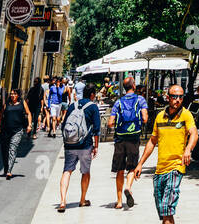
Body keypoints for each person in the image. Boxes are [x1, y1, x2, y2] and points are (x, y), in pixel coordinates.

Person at [134, 84, 197, 224]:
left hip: (176, 168)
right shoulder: (160, 117)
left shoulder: (186, 115)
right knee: (165, 212)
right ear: (167, 97)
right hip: (160, 170)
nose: (177, 99)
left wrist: (188, 149)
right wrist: (140, 164)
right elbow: (152, 142)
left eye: (180, 96)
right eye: (173, 96)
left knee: (168, 208)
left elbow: (193, 134)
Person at [57, 82, 100, 213]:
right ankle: (82, 200)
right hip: (85, 145)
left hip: (70, 144)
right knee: (85, 172)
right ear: (92, 95)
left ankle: (63, 201)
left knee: (67, 171)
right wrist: (96, 146)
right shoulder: (93, 107)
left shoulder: (72, 105)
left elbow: (64, 124)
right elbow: (97, 129)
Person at [108, 76, 148, 209]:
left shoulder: (118, 102)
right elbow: (145, 118)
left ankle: (119, 202)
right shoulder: (140, 99)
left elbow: (110, 123)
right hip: (133, 138)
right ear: (134, 86)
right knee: (132, 166)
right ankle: (128, 187)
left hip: (120, 138)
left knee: (119, 169)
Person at [0, 87, 32, 179]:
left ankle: (9, 171)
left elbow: (28, 113)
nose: (12, 95)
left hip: (17, 130)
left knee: (13, 149)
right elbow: (1, 113)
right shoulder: (7, 104)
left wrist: (29, 125)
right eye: (11, 94)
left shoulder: (22, 103)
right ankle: (6, 167)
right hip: (5, 130)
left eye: (14, 94)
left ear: (18, 95)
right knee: (4, 151)